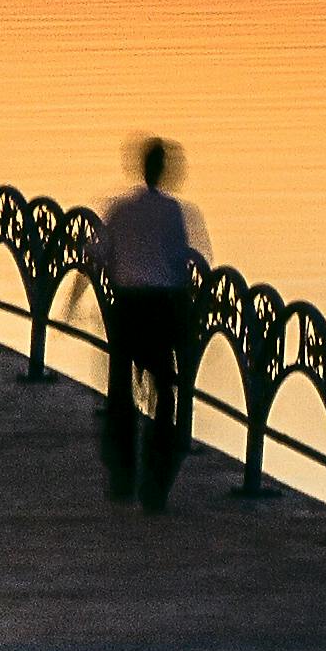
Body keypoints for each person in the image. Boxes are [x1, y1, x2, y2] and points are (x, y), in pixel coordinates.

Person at [98, 139, 202, 511]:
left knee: (120, 392)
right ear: (165, 170)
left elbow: (98, 254)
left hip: (126, 308)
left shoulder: (119, 209)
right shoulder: (176, 212)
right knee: (166, 394)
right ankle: (155, 484)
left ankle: (122, 476)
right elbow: (190, 262)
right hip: (161, 310)